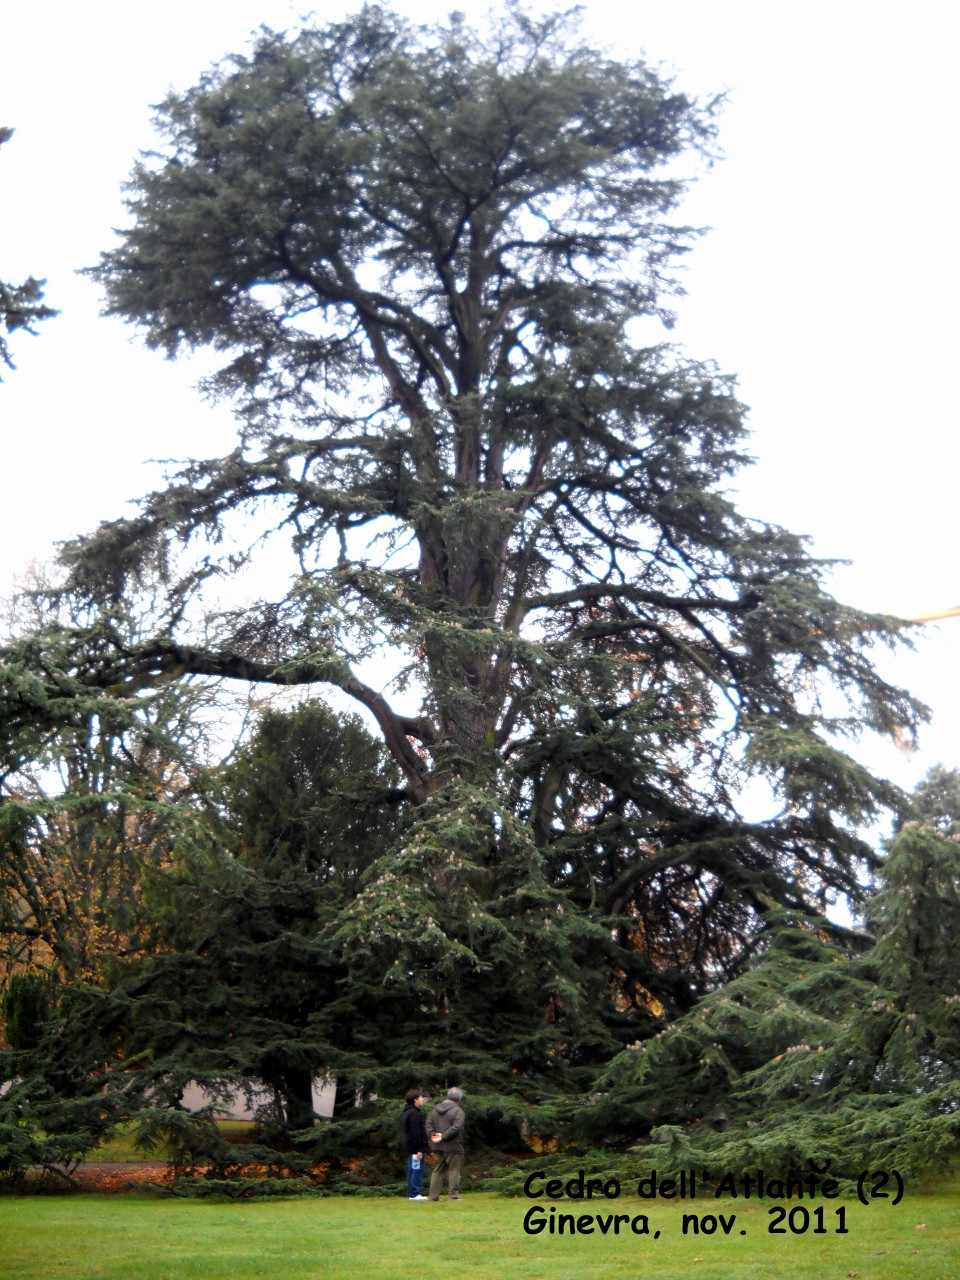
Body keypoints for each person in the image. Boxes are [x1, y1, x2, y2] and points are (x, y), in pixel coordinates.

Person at [426, 1086, 466, 1201]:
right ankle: (454, 1196)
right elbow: (457, 1127)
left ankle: (433, 1196)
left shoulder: (435, 1110)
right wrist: (443, 1136)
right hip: (453, 1145)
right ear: (459, 1099)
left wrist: (434, 1135)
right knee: (454, 1170)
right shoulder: (458, 1111)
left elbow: (428, 1124)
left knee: (438, 1170)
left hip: (437, 1146)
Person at [401, 1088, 430, 1201]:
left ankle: (411, 1192)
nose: (423, 1099)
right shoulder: (414, 1114)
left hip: (411, 1147)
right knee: (416, 1169)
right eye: (421, 1097)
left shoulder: (408, 1112)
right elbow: (415, 1132)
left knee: (412, 1169)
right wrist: (418, 1149)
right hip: (416, 1148)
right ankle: (414, 1193)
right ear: (415, 1100)